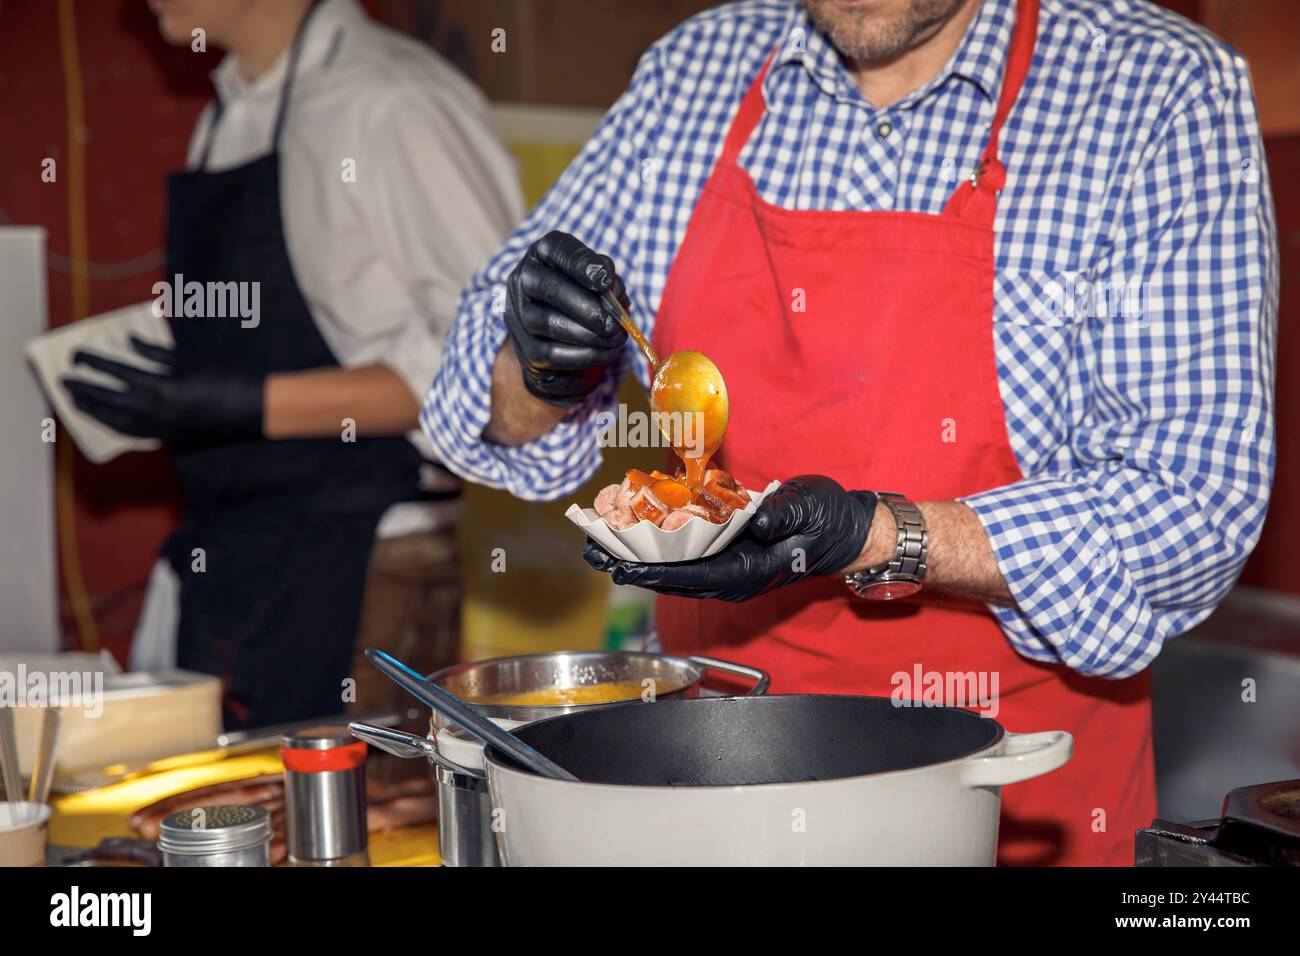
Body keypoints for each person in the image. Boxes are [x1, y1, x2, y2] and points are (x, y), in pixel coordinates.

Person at [422, 0, 1277, 865]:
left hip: (1005, 784)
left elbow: (1193, 504)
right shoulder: (696, 70)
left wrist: (878, 536)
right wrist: (537, 368)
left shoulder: (1154, 87)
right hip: (704, 775)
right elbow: (475, 409)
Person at [63, 0, 523, 729]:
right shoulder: (227, 112)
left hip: (363, 566)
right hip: (236, 558)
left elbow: (500, 364)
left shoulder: (393, 100)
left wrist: (243, 403)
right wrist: (174, 379)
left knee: (346, 835)